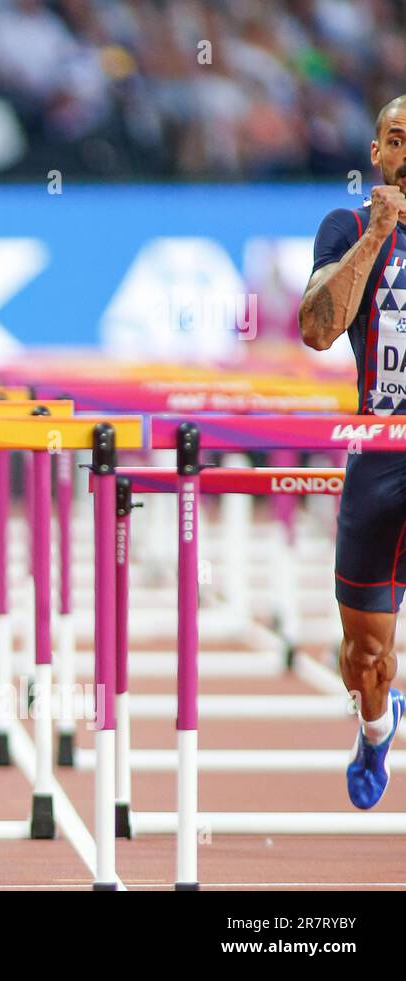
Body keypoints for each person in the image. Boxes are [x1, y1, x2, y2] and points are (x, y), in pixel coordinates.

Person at [299, 94, 406, 809]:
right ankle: (375, 725)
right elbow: (313, 328)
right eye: (397, 139)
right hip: (379, 454)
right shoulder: (347, 226)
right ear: (377, 153)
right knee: (364, 656)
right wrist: (376, 237)